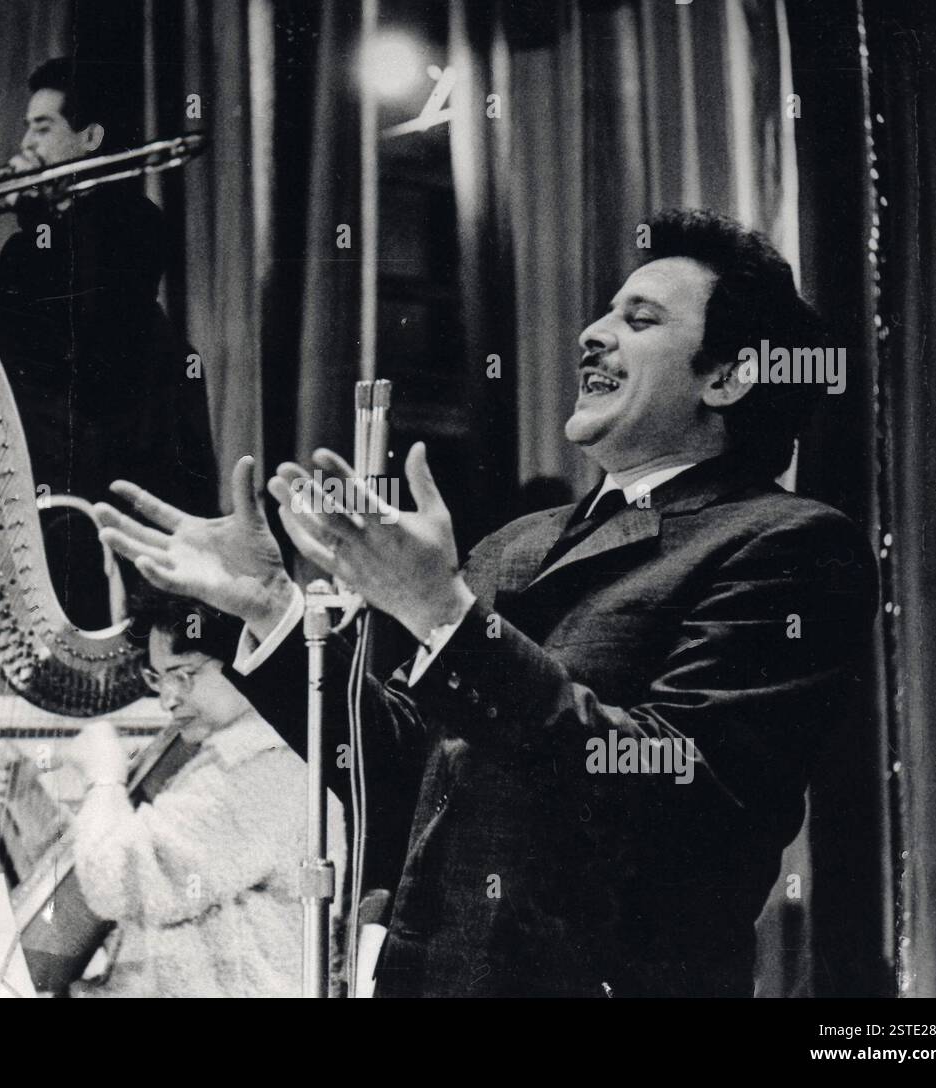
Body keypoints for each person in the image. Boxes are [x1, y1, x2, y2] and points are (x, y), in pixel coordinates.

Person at [94, 209, 880, 997]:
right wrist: (269, 610)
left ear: (727, 376)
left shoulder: (792, 545)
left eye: (639, 319)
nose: (592, 333)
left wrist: (444, 616)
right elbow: (404, 777)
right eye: (603, 310)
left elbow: (681, 796)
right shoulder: (516, 544)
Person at [0, 594, 344, 998]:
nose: (167, 699)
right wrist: (27, 796)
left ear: (246, 659)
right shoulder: (222, 759)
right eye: (159, 678)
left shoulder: (263, 772)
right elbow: (99, 873)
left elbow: (113, 882)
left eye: (183, 675)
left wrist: (104, 778)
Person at [0, 57, 218, 630]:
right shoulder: (40, 236)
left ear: (91, 138)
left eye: (42, 125)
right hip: (58, 461)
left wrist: (37, 219)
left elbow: (90, 317)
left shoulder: (133, 219)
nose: (24, 140)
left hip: (118, 462)